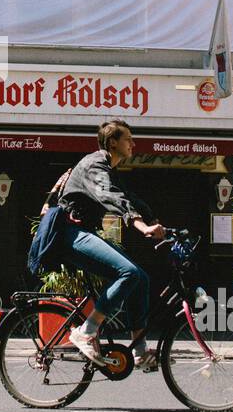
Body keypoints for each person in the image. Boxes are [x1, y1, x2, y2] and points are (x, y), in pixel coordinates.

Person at [54, 119, 165, 370]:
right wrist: (141, 226)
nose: (133, 144)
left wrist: (156, 223)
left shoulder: (109, 169)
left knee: (142, 279)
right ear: (113, 142)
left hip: (83, 233)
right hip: (70, 233)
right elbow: (111, 197)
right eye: (128, 139)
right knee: (128, 273)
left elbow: (128, 197)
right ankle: (87, 330)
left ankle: (139, 350)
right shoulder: (95, 165)